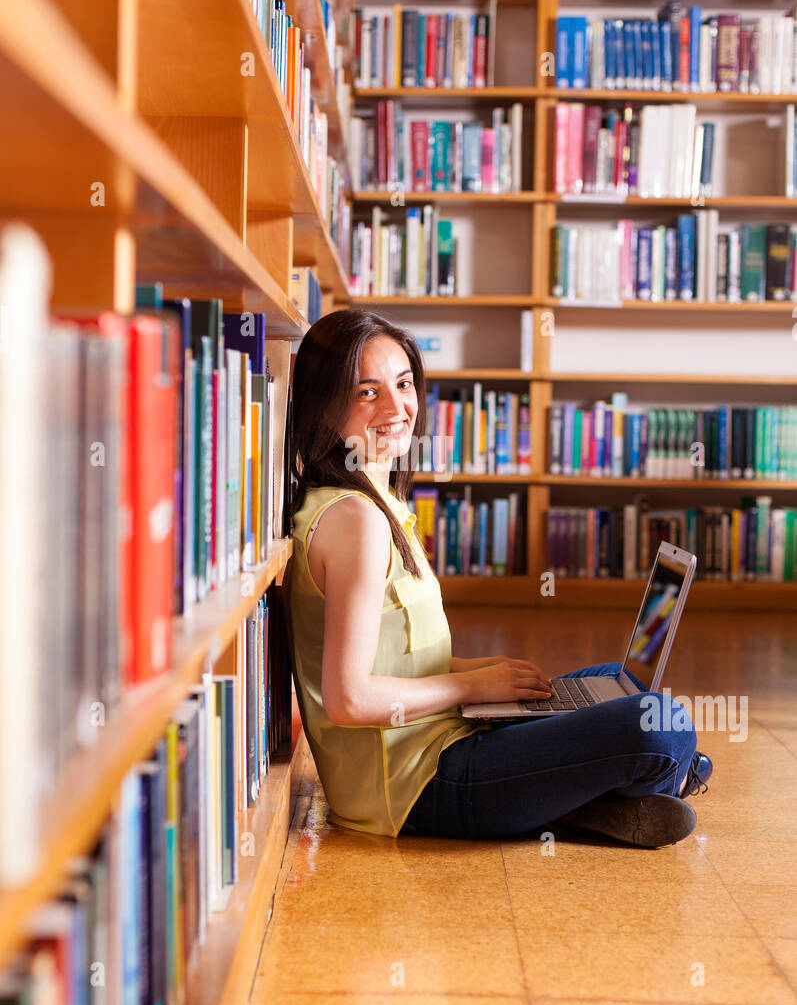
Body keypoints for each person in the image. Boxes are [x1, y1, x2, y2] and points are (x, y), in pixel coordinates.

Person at [281, 308, 712, 850]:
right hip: (416, 786)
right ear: (324, 404)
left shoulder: (369, 501)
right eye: (367, 392)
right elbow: (348, 699)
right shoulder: (356, 522)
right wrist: (472, 685)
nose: (396, 408)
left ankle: (583, 802)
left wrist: (484, 672)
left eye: (404, 383)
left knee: (611, 681)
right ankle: (624, 788)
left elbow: (391, 659)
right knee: (661, 726)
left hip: (443, 739)